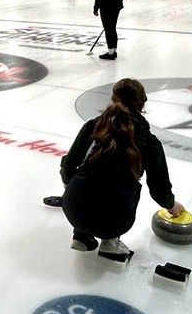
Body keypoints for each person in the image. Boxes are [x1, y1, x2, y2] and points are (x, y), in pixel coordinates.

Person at [61, 78, 185, 261]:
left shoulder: (93, 126)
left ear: (112, 99)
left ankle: (81, 235)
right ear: (142, 104)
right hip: (113, 220)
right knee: (121, 187)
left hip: (72, 210)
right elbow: (159, 187)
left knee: (88, 180)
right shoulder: (149, 143)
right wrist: (171, 204)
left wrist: (71, 189)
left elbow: (68, 167)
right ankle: (110, 242)